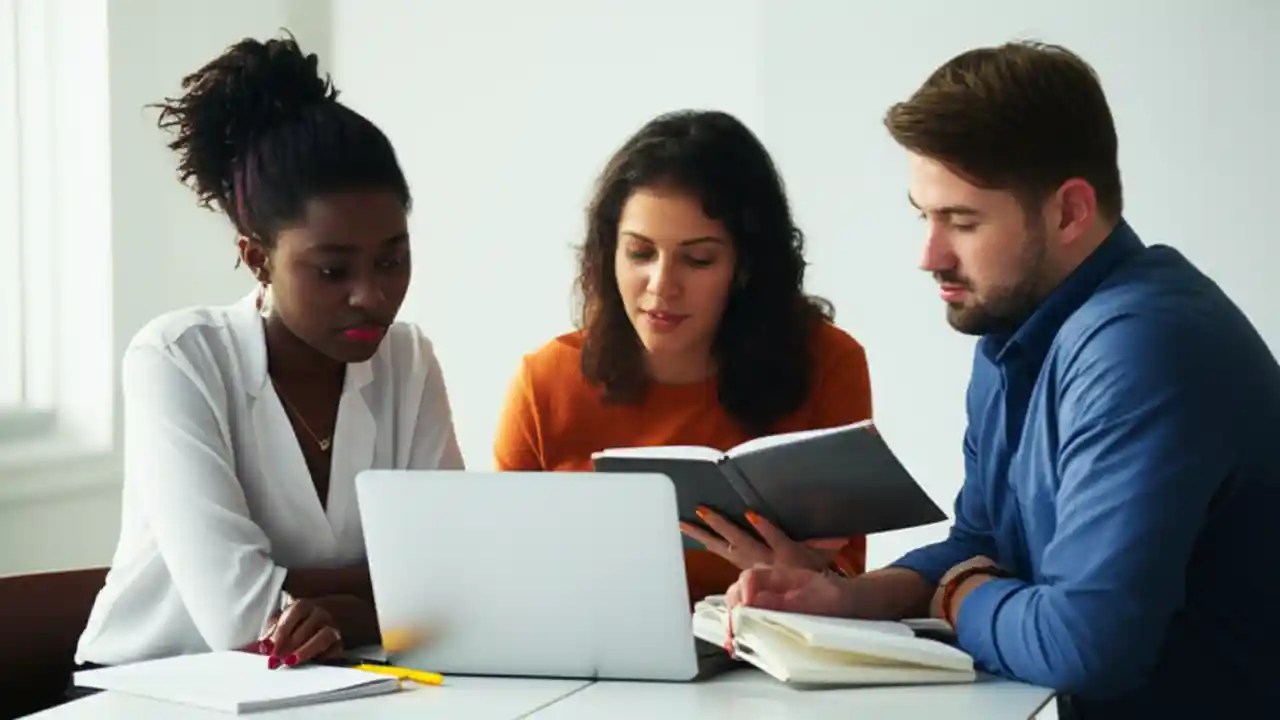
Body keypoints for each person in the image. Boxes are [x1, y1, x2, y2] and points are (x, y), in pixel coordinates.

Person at [725, 41, 1280, 717]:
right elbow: (983, 545)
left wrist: (955, 597)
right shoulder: (1011, 331)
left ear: (1070, 212)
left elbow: (1085, 646)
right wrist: (851, 597)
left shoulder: (1143, 348)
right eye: (923, 215)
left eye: (962, 221)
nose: (928, 255)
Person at [74, 34, 463, 671]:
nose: (372, 295)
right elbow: (239, 617)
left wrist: (336, 609)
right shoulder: (177, 359)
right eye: (333, 271)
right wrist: (379, 595)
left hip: (328, 680)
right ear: (258, 257)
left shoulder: (408, 361)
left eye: (393, 259)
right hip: (149, 688)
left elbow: (456, 581)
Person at [493, 110, 872, 603]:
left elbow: (849, 580)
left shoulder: (828, 363)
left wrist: (807, 583)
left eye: (698, 259)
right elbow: (499, 572)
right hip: (596, 661)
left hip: (761, 661)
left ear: (745, 267)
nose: (661, 286)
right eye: (640, 253)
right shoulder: (546, 380)